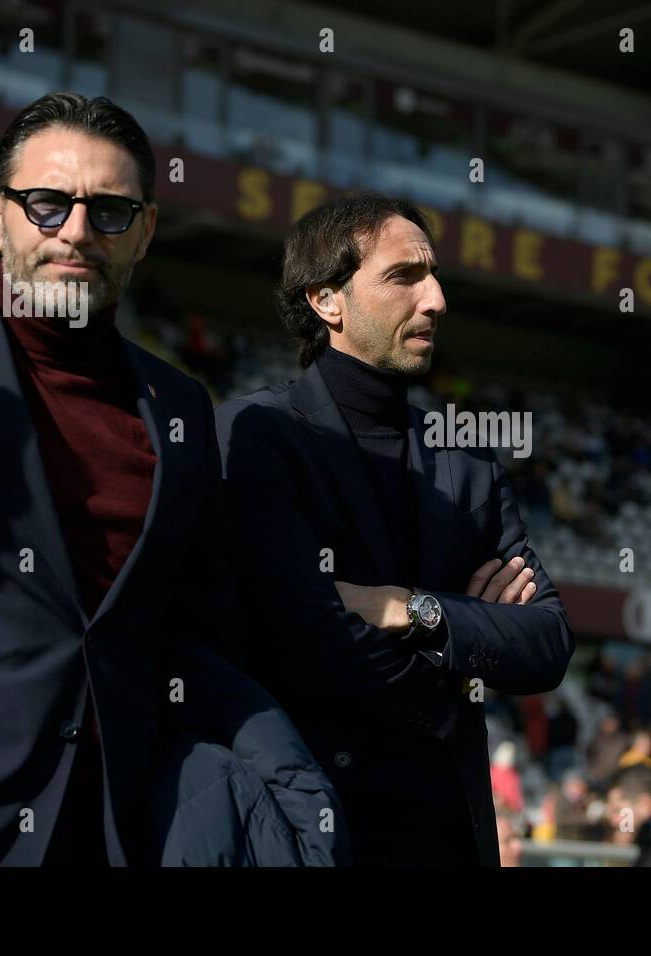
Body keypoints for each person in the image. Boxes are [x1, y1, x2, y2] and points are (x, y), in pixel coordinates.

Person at [0, 92, 338, 865]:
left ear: (144, 233)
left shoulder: (181, 409)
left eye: (109, 212)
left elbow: (195, 640)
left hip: (114, 832)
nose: (74, 231)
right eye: (46, 204)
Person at [215, 192, 574, 865]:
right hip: (308, 832)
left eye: (433, 275)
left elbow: (548, 643)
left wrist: (412, 610)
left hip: (446, 842)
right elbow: (299, 641)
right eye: (403, 277)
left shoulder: (466, 460)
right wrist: (464, 654)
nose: (435, 299)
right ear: (327, 301)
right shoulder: (260, 435)